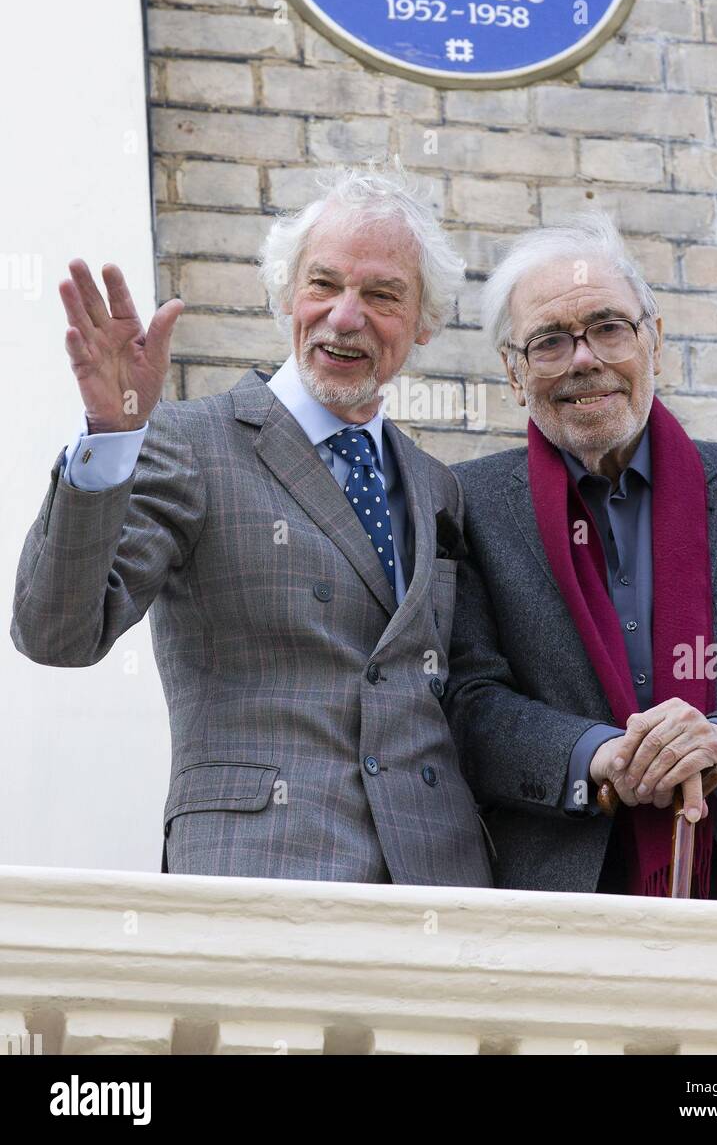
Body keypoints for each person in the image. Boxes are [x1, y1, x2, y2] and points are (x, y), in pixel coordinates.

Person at [11, 160, 492, 888]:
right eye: (323, 284)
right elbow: (57, 632)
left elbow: (461, 697)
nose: (346, 315)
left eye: (382, 294)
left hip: (442, 889)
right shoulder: (190, 443)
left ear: (423, 325)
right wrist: (111, 437)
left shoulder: (437, 489)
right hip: (262, 876)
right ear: (286, 296)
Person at [443, 215, 717, 903]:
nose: (584, 359)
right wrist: (602, 758)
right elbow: (466, 700)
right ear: (514, 375)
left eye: (609, 327)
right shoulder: (466, 507)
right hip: (555, 903)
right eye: (550, 342)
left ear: (655, 341)